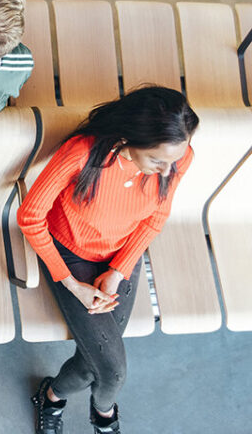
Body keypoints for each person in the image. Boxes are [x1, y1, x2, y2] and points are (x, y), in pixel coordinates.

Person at [17, 87, 199, 434]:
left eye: (173, 161)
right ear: (128, 139)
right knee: (112, 370)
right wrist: (71, 284)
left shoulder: (177, 157)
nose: (167, 171)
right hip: (71, 255)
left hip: (121, 255)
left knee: (94, 362)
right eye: (157, 161)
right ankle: (102, 413)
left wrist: (118, 270)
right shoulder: (81, 154)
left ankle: (51, 397)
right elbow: (30, 217)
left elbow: (155, 219)